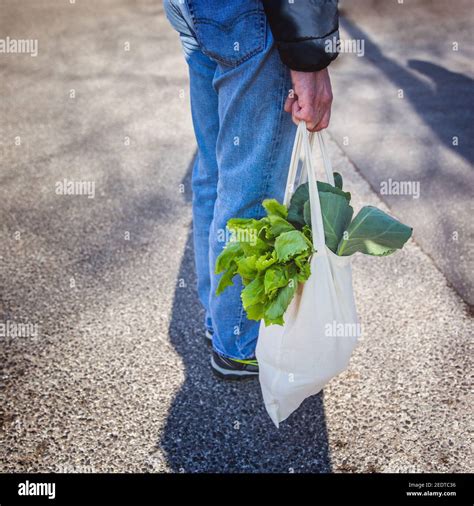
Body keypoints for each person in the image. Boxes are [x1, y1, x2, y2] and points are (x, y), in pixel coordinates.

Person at [164, 0, 339, 379]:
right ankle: (239, 343)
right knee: (251, 190)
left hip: (195, 8)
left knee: (215, 173)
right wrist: (309, 58)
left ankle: (220, 321)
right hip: (254, 15)